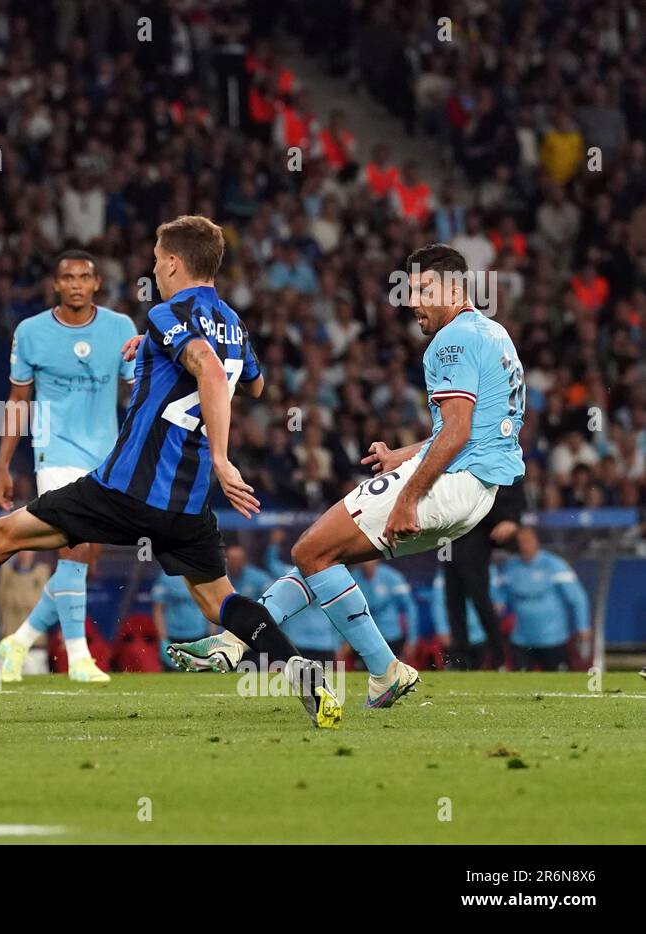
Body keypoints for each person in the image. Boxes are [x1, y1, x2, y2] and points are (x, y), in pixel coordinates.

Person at [0, 215, 343, 728]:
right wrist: (155, 351)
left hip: (126, 486)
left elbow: (207, 368)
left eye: (155, 261)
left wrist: (221, 454)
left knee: (4, 534)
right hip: (186, 504)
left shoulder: (168, 312)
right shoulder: (233, 323)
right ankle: (306, 676)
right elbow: (250, 383)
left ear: (172, 263)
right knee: (220, 602)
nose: (154, 270)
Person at [172, 244, 525, 710]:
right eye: (410, 290)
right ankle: (235, 640)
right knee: (322, 559)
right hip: (478, 496)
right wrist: (401, 456)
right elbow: (469, 431)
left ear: (456, 290)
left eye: (423, 290)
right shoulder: (495, 334)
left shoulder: (451, 340)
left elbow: (457, 432)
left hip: (448, 484)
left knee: (308, 548)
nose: (412, 301)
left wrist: (407, 498)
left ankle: (385, 669)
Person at [0, 249, 136, 683]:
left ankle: (18, 641)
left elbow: (139, 392)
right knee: (73, 547)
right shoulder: (31, 332)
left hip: (107, 458)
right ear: (55, 285)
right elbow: (18, 402)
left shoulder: (120, 328)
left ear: (96, 284)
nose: (75, 284)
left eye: (84, 277)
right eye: (67, 277)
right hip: (55, 454)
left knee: (85, 556)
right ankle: (78, 657)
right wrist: (3, 466)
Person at [441, 481, 523, 668]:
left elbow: (513, 485)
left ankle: (498, 655)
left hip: (476, 530)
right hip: (447, 534)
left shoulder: (499, 457)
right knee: (452, 596)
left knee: (479, 597)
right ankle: (459, 657)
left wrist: (512, 518)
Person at [497, 527, 590, 671]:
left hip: (553, 638)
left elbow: (577, 598)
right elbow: (500, 598)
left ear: (536, 542)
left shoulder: (555, 565)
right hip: (522, 638)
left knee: (557, 684)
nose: (524, 545)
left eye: (527, 541)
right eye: (520, 542)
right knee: (519, 683)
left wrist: (582, 627)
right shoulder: (510, 567)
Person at [0, 551, 53, 675]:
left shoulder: (43, 572)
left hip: (35, 646)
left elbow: (42, 606)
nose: (24, 553)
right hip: (9, 640)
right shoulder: (5, 572)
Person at [353, 560, 418, 661]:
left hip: (392, 637)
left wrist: (412, 639)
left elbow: (409, 607)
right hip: (365, 639)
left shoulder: (392, 577)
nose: (366, 563)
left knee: (394, 673)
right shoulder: (353, 579)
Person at [150, 572, 210, 669]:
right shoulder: (166, 577)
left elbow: (211, 605)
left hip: (199, 636)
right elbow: (158, 609)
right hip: (173, 637)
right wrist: (162, 639)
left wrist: (212, 635)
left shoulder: (204, 574)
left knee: (200, 679)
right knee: (170, 679)